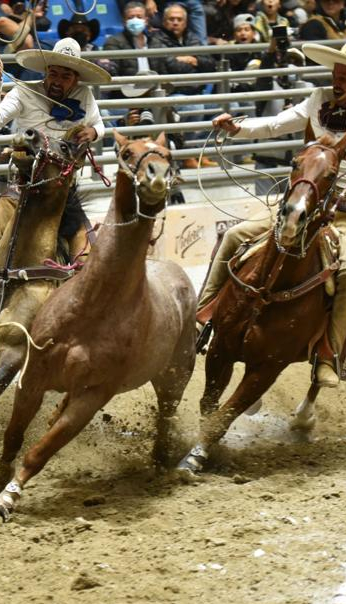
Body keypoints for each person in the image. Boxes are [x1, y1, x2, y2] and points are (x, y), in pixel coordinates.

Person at [0, 38, 110, 343]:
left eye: (66, 76)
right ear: (46, 72)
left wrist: (94, 132)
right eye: (54, 73)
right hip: (21, 190)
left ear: (75, 78)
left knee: (89, 257)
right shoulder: (25, 90)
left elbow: (99, 125)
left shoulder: (85, 96)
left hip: (63, 197)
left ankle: (91, 329)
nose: (58, 81)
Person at [206, 42, 346, 387]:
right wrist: (238, 127)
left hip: (342, 214)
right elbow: (277, 123)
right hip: (302, 200)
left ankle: (329, 352)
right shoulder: (318, 99)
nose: (339, 80)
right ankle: (206, 311)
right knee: (236, 235)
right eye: (337, 73)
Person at [148, 4, 217, 169]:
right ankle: (187, 154)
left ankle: (200, 152)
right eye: (171, 19)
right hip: (172, 93)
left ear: (186, 23)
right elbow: (169, 66)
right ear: (164, 22)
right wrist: (192, 61)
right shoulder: (157, 39)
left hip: (195, 91)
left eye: (179, 19)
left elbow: (210, 63)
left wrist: (194, 60)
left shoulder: (192, 37)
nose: (175, 22)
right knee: (195, 106)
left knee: (228, 106)